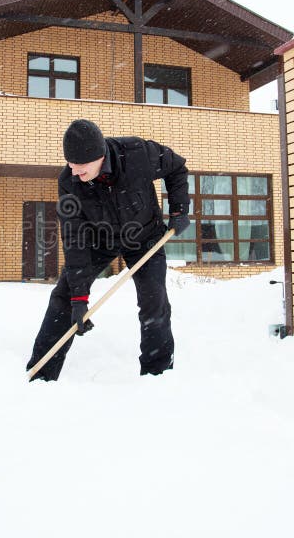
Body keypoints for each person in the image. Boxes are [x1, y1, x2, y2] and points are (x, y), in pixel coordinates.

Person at [26, 119, 190, 381]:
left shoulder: (138, 154)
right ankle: (42, 373)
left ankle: (157, 374)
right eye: (71, 167)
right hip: (98, 241)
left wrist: (180, 209)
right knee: (63, 298)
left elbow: (177, 168)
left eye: (81, 169)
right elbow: (74, 237)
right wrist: (79, 298)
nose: (75, 173)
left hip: (145, 237)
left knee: (154, 300)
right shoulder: (70, 182)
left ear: (99, 157)